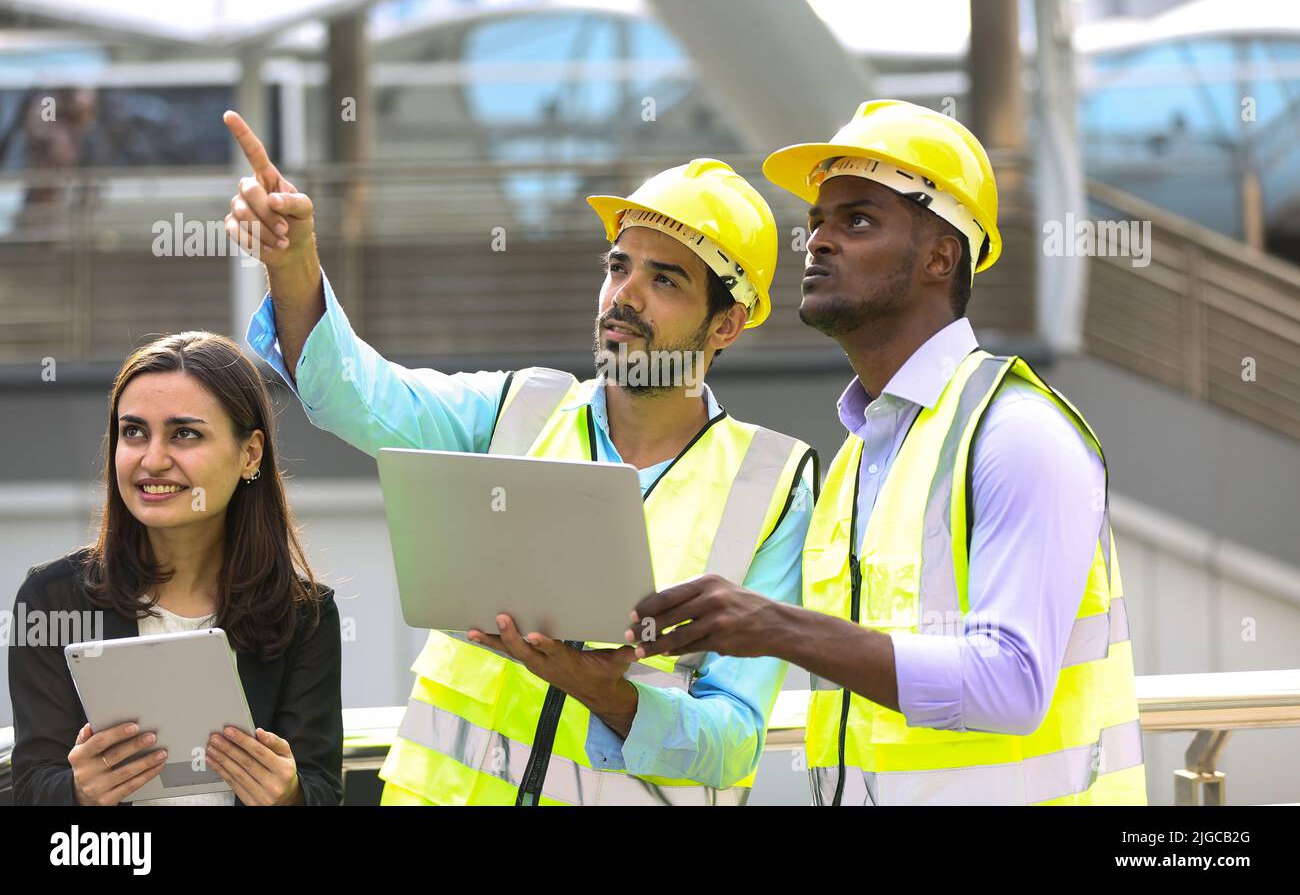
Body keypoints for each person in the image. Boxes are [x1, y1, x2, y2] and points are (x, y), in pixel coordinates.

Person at [221, 110, 816, 805]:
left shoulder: (772, 486)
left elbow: (735, 738)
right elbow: (353, 396)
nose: (623, 296)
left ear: (727, 323)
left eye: (665, 281)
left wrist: (610, 697)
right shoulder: (519, 411)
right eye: (619, 267)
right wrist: (294, 266)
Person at [628, 100, 1147, 805]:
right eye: (816, 223)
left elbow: (1013, 685)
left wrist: (777, 627)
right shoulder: (855, 461)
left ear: (941, 256)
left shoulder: (1017, 433)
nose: (817, 242)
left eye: (857, 220)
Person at [9, 331, 343, 806]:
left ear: (250, 454)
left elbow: (323, 791)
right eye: (134, 432)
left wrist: (288, 797)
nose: (153, 459)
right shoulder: (51, 599)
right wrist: (79, 793)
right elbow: (31, 789)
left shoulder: (305, 616)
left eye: (185, 433)